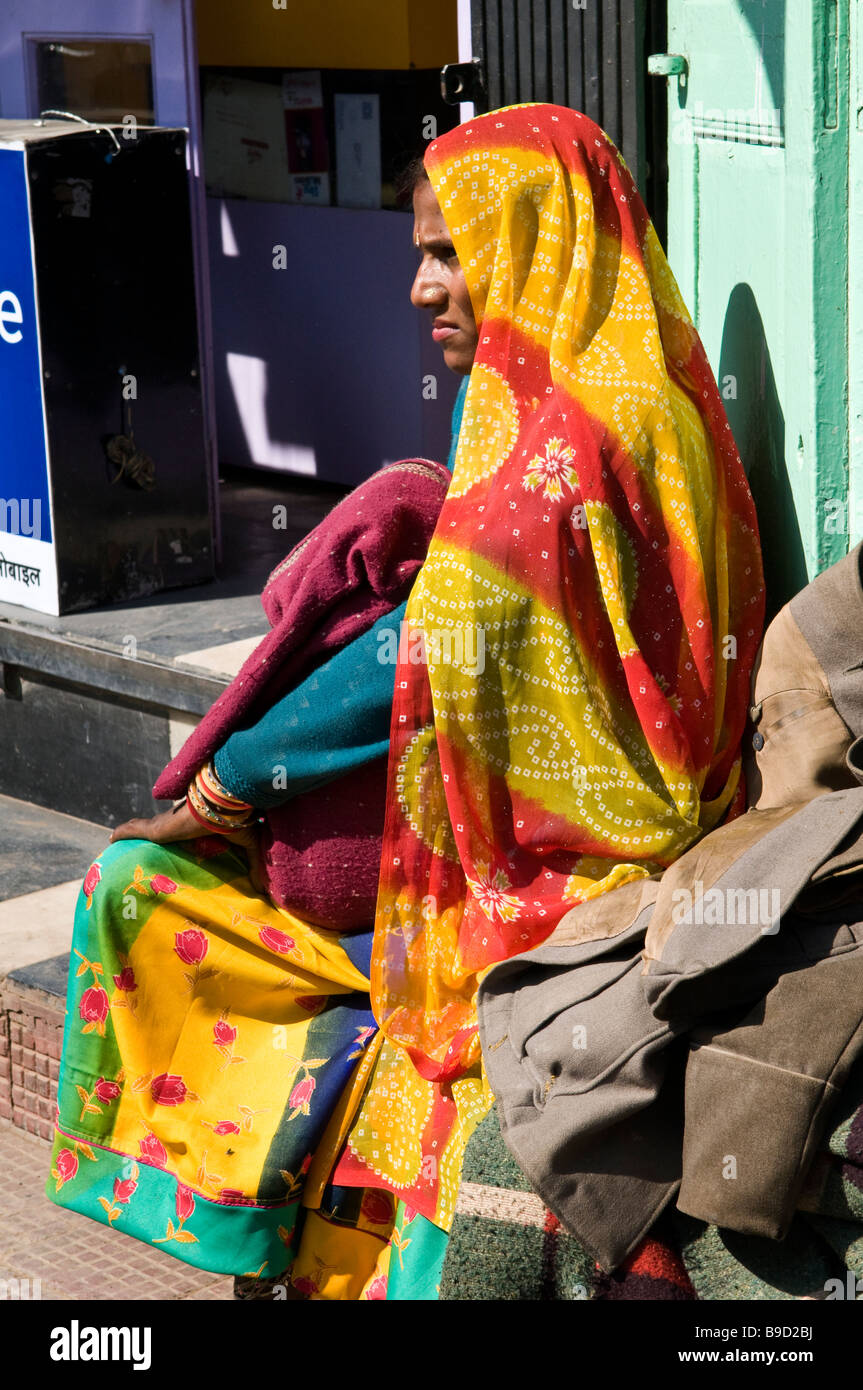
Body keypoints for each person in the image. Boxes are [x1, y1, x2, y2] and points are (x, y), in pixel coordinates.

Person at [47, 103, 764, 1300]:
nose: (424, 289)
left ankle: (257, 1238)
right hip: (662, 859)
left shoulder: (548, 460)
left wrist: (215, 793)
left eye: (448, 252)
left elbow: (410, 667)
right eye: (419, 257)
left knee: (138, 897)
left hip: (548, 899)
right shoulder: (659, 399)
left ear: (533, 238)